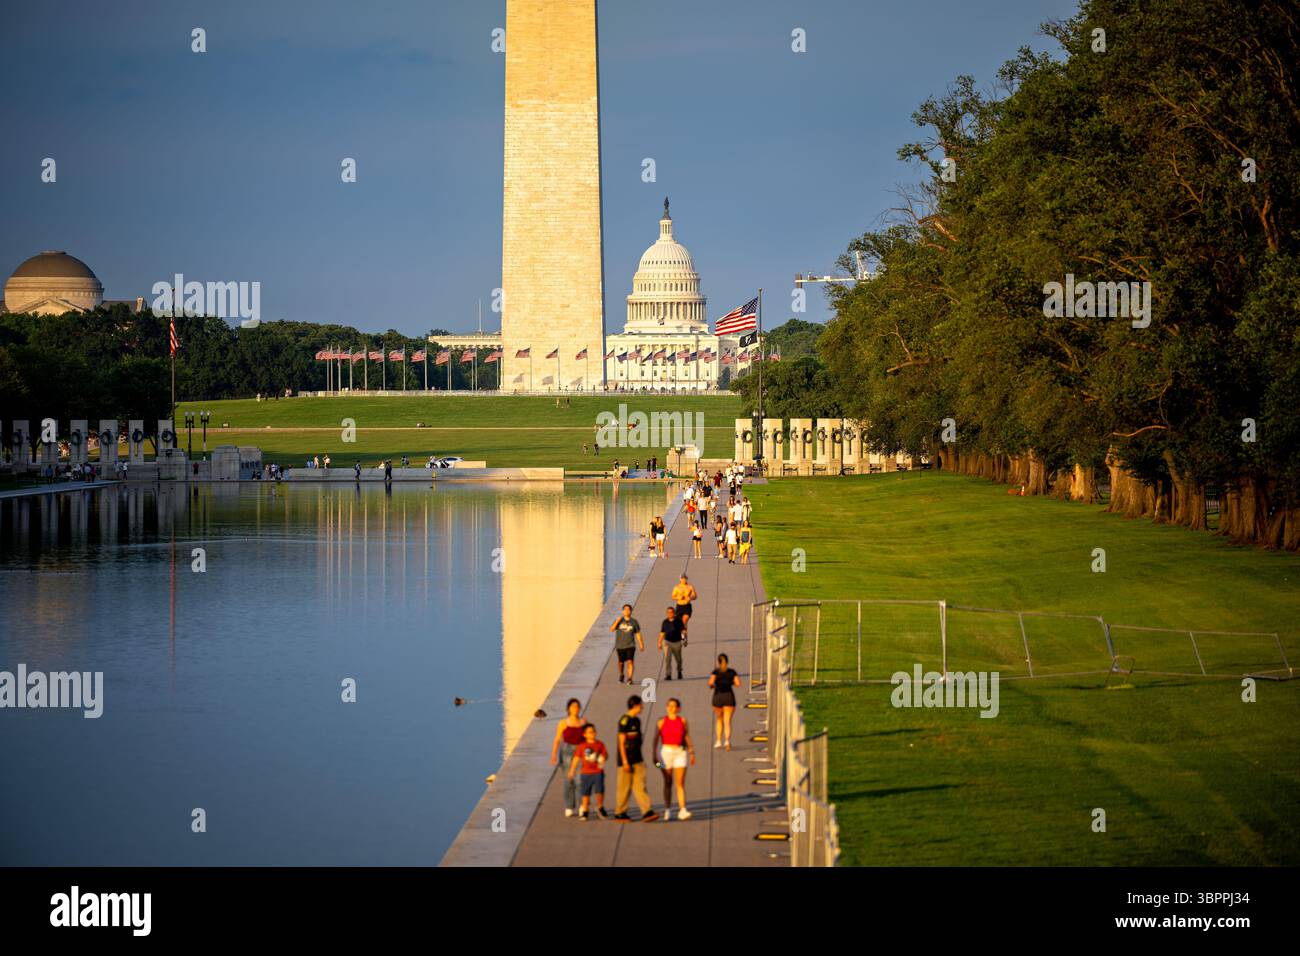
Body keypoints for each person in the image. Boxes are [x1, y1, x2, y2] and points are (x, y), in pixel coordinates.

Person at [614, 696, 659, 822]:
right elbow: (621, 743)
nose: (643, 707)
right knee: (624, 788)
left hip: (638, 759)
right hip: (626, 762)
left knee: (640, 786)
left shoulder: (637, 721)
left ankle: (646, 811)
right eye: (641, 705)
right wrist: (624, 761)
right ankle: (620, 812)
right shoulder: (624, 721)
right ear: (636, 706)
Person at [654, 698, 695, 821]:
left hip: (680, 752)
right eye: (669, 706)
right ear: (666, 707)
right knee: (667, 781)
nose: (672, 708)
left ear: (678, 708)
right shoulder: (661, 722)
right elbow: (655, 739)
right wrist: (655, 758)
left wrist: (691, 751)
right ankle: (668, 809)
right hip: (665, 753)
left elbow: (686, 736)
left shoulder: (682, 720)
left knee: (680, 782)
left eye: (674, 706)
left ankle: (682, 810)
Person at [550, 699, 588, 818]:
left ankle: (583, 806)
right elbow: (557, 739)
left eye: (577, 707)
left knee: (580, 780)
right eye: (572, 707)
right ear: (568, 709)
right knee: (568, 780)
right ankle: (569, 806)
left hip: (580, 751)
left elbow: (588, 739)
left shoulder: (583, 722)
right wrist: (554, 754)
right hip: (567, 751)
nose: (575, 709)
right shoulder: (563, 723)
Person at [567, 723, 609, 820]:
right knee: (585, 793)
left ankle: (600, 807)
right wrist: (572, 770)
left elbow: (605, 755)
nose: (592, 733)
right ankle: (585, 810)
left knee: (599, 791)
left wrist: (602, 759)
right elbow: (576, 758)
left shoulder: (600, 744)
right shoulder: (582, 746)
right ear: (584, 734)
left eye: (594, 731)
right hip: (585, 773)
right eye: (590, 732)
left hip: (598, 772)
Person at [708, 654, 741, 750]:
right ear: (727, 661)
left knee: (719, 719)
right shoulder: (732, 672)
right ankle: (727, 741)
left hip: (718, 696)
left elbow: (710, 683)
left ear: (718, 662)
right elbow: (738, 683)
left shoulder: (716, 672)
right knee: (727, 722)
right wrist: (731, 682)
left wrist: (713, 686)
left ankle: (718, 741)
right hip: (729, 696)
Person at [608, 604, 644, 684]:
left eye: (628, 609)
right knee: (621, 662)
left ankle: (630, 678)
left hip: (630, 645)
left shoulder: (634, 622)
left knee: (630, 661)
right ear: (623, 611)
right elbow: (611, 629)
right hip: (620, 645)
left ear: (631, 611)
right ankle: (621, 674)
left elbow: (638, 633)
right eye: (625, 609)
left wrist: (641, 644)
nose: (627, 611)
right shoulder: (619, 620)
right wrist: (617, 621)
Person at [658, 605, 685, 680]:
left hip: (677, 642)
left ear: (674, 613)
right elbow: (662, 633)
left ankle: (679, 671)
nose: (670, 614)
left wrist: (683, 640)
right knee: (667, 659)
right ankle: (668, 674)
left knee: (678, 659)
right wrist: (659, 642)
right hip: (667, 642)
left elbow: (683, 631)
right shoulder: (665, 622)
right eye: (668, 612)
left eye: (671, 612)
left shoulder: (678, 621)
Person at [671, 574, 697, 638]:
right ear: (680, 579)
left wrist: (690, 597)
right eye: (682, 578)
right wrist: (678, 597)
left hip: (687, 606)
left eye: (685, 578)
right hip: (679, 606)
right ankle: (684, 635)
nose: (684, 580)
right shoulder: (676, 587)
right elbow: (673, 597)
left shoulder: (690, 587)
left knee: (684, 621)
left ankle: (683, 636)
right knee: (680, 623)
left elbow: (695, 596)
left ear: (687, 579)